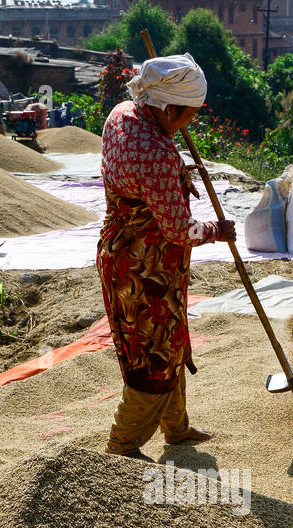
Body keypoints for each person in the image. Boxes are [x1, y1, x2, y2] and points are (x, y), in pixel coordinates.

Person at [96, 52, 236, 459]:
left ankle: (176, 428)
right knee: (153, 354)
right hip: (142, 267)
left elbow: (152, 161)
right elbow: (179, 229)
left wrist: (178, 165)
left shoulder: (124, 113)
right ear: (168, 107)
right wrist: (216, 231)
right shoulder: (156, 155)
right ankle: (122, 445)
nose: (190, 122)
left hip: (126, 254)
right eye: (188, 115)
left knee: (169, 344)